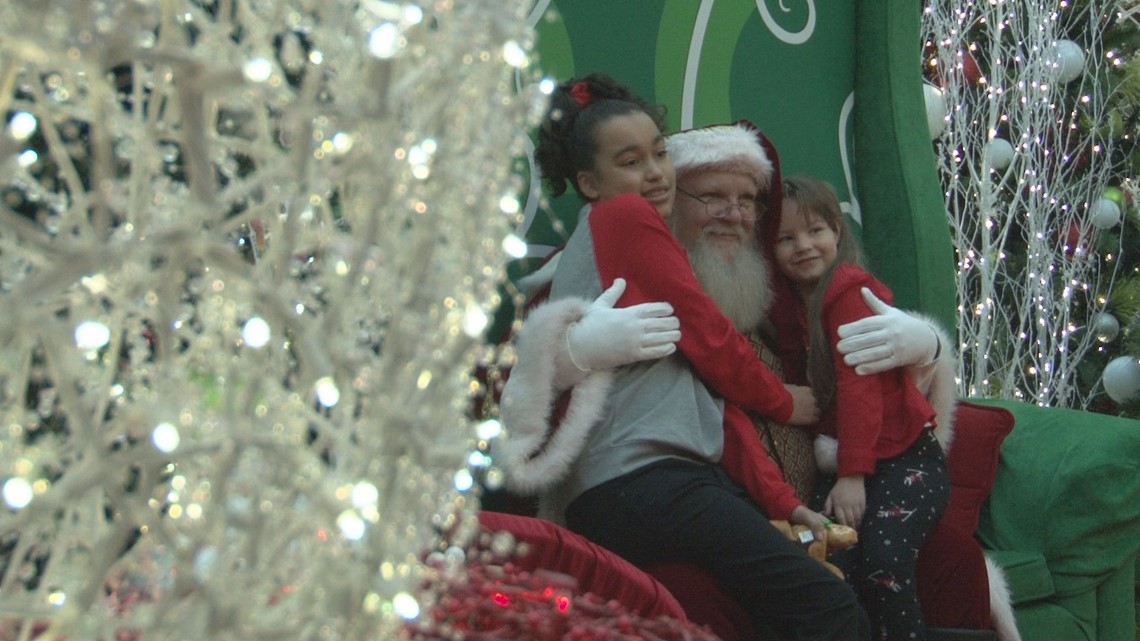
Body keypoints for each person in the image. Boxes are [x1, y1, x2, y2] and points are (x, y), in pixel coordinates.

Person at [499, 71, 867, 641]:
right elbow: (707, 335)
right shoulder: (623, 219)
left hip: (651, 485)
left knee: (791, 609)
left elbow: (706, 400)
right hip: (644, 480)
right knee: (832, 609)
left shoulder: (620, 250)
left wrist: (783, 503)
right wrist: (785, 401)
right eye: (630, 162)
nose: (652, 174)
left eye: (660, 154)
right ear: (590, 183)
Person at [765, 174, 950, 641]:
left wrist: (851, 476)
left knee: (884, 565)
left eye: (815, 231)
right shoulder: (792, 306)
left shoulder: (846, 290)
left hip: (903, 459)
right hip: (848, 459)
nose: (803, 246)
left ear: (837, 232)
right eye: (786, 238)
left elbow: (859, 388)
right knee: (825, 564)